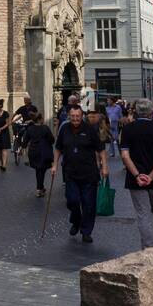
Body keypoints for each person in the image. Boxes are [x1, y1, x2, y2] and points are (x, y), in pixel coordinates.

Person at [52, 103, 108, 244]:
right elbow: (58, 148)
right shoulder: (64, 128)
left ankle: (86, 231)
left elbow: (101, 149)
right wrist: (54, 165)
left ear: (82, 116)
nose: (75, 119)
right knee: (72, 200)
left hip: (89, 173)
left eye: (78, 116)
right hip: (70, 173)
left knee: (89, 204)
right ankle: (76, 221)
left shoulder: (89, 130)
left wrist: (104, 167)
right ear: (69, 116)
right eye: (73, 116)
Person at [120, 99, 153, 248]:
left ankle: (149, 247)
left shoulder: (128, 129)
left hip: (136, 180)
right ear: (151, 112)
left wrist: (138, 175)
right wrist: (151, 176)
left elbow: (124, 156)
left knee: (143, 213)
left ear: (135, 111)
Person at [25, 113, 54, 197]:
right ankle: (39, 188)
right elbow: (52, 140)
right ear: (40, 119)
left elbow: (25, 142)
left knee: (38, 170)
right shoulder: (45, 128)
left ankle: (41, 187)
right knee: (41, 170)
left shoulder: (30, 129)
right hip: (43, 152)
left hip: (33, 152)